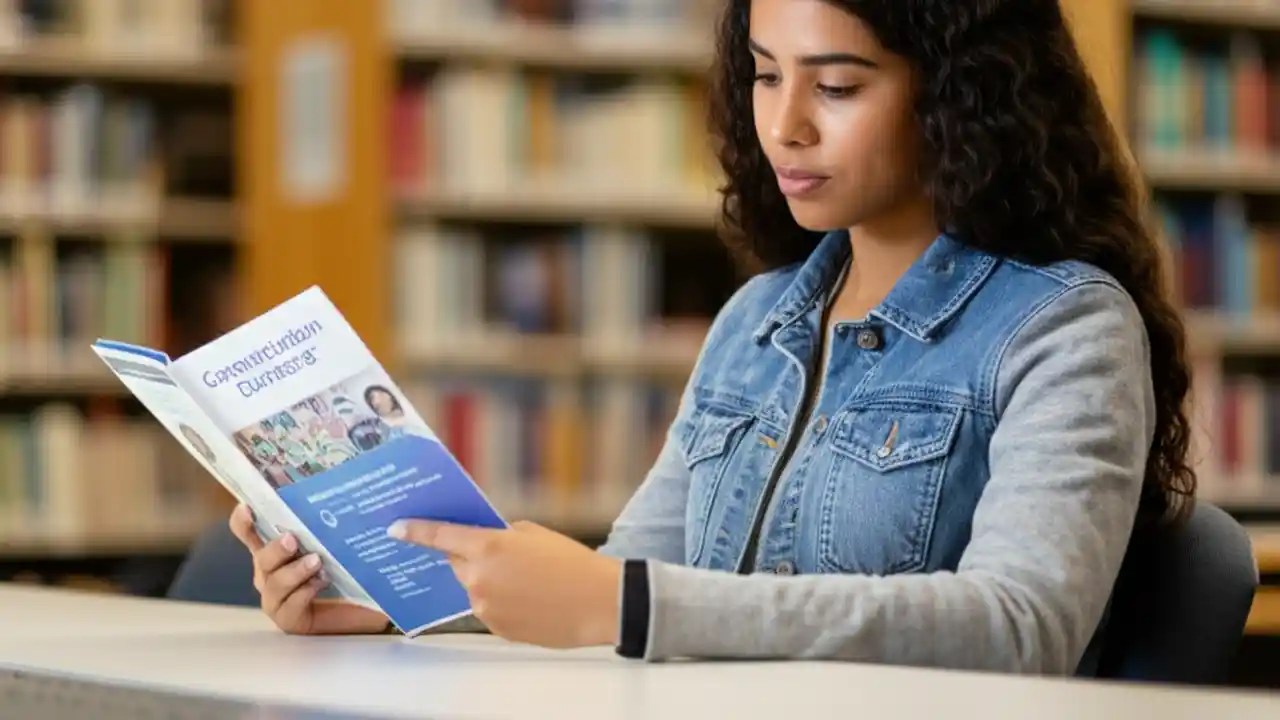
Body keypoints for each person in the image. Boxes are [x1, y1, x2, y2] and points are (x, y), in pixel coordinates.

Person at [228, 0, 1195, 674]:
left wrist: (629, 605)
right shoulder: (757, 320)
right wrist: (402, 602)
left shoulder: (1065, 326)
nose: (785, 127)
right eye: (767, 76)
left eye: (839, 87)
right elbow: (619, 581)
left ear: (959, 94)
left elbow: (1020, 626)